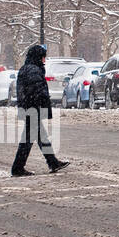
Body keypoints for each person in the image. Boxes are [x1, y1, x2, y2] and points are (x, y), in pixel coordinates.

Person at [10, 44, 69, 177]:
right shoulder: (34, 70)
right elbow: (36, 90)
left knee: (40, 136)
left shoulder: (27, 68)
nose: (44, 60)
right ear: (38, 57)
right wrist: (41, 104)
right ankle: (18, 168)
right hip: (32, 109)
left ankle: (52, 162)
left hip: (28, 108)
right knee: (28, 139)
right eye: (43, 57)